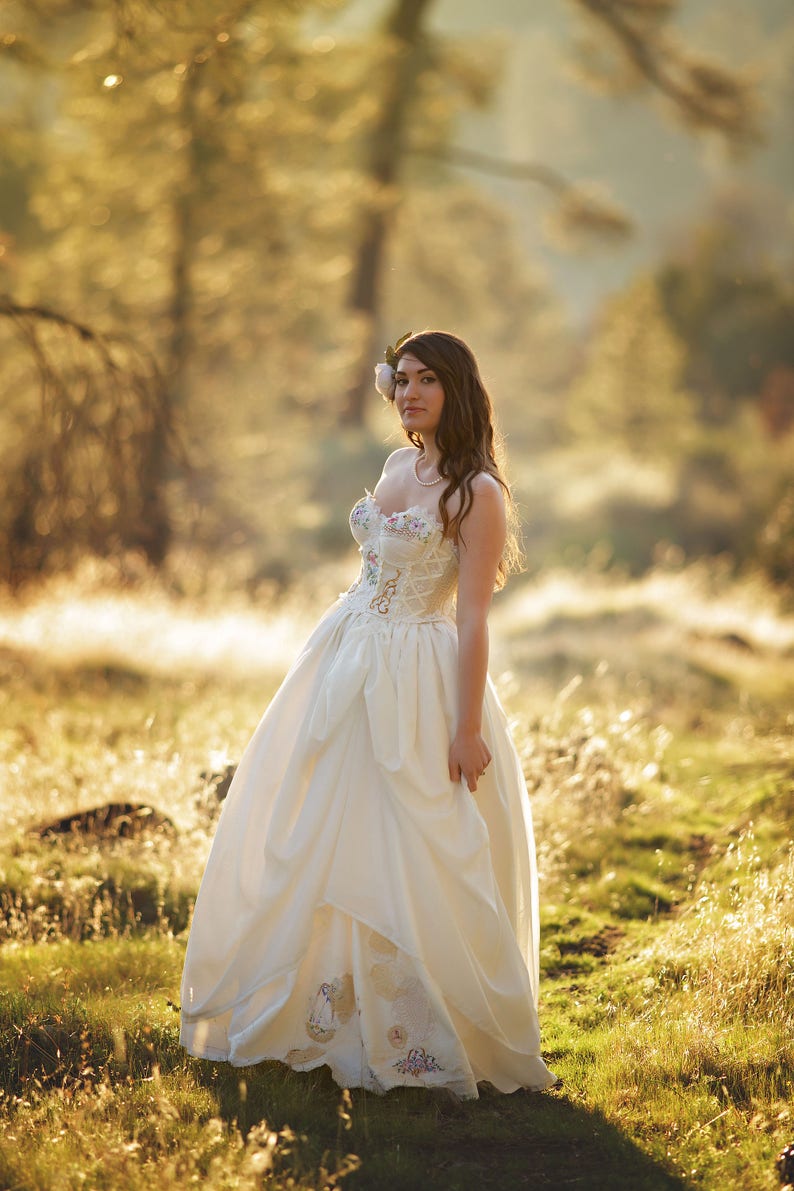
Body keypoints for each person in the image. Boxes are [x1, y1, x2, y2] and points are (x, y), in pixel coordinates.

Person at [180, 330, 557, 1099]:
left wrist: (465, 727)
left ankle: (418, 1033)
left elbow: (476, 618)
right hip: (346, 655)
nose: (409, 393)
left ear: (457, 388)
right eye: (403, 379)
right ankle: (324, 1015)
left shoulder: (477, 491)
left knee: (415, 839)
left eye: (427, 380)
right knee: (322, 824)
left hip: (419, 673)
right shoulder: (395, 465)